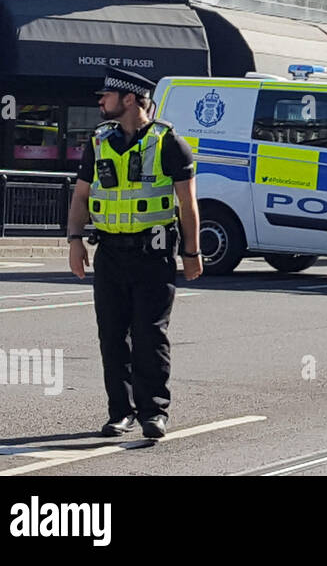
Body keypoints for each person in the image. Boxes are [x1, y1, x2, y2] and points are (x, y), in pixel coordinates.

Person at [66, 68, 202, 440]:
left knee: (149, 334)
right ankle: (119, 412)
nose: (100, 101)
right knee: (112, 336)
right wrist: (75, 240)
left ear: (129, 99)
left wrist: (192, 252)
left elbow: (187, 205)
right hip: (110, 253)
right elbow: (81, 195)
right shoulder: (98, 142)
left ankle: (153, 412)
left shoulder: (169, 142)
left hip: (153, 254)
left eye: (106, 95)